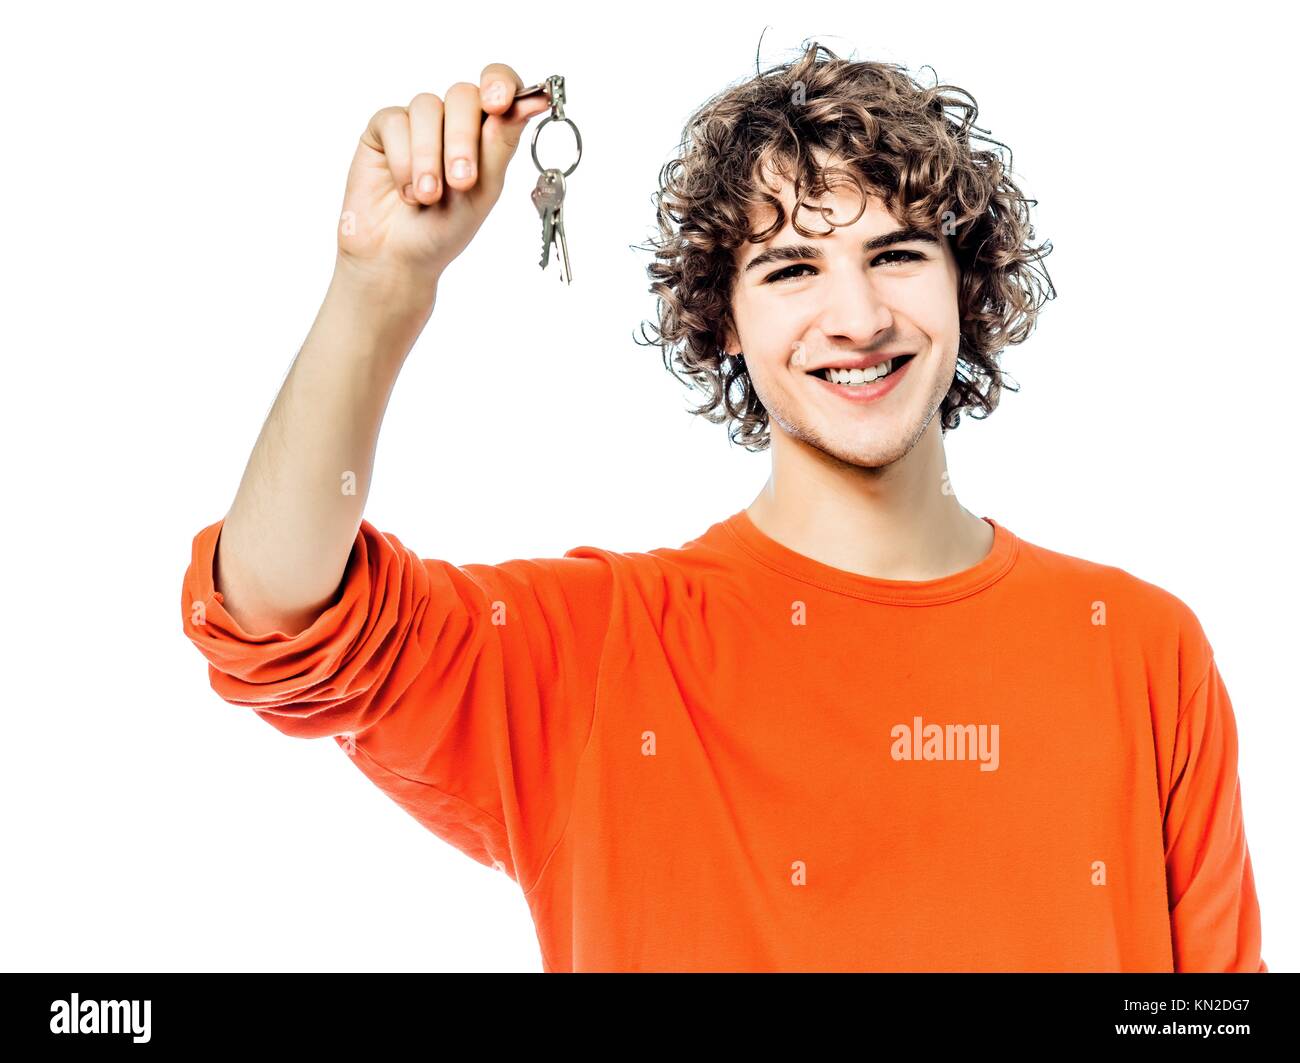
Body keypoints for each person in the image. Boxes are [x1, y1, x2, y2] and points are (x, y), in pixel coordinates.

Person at [180, 42, 1266, 972]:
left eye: (895, 254)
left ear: (964, 287)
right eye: (790, 269)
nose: (856, 314)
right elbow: (275, 613)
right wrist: (380, 288)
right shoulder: (595, 654)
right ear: (723, 322)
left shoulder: (1137, 647)